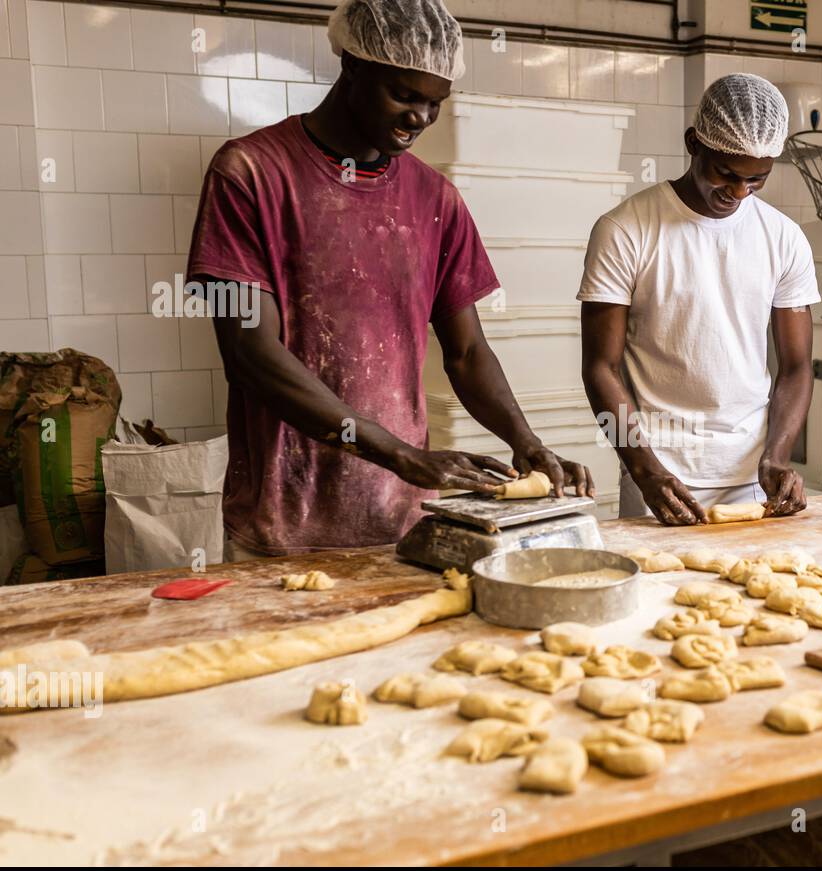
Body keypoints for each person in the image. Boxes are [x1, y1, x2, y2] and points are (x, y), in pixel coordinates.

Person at [187, 0, 591, 560]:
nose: (420, 119)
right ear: (352, 66)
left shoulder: (435, 199)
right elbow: (249, 351)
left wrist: (526, 441)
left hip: (402, 521)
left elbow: (468, 352)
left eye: (434, 104)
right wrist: (400, 454)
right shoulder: (250, 173)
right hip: (284, 525)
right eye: (404, 95)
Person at [578, 74, 820, 525]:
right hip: (660, 474)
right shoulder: (626, 229)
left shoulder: (784, 238)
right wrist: (644, 470)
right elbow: (600, 366)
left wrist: (779, 455)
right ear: (693, 143)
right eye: (726, 174)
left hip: (752, 477)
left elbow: (796, 366)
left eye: (757, 180)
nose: (738, 192)